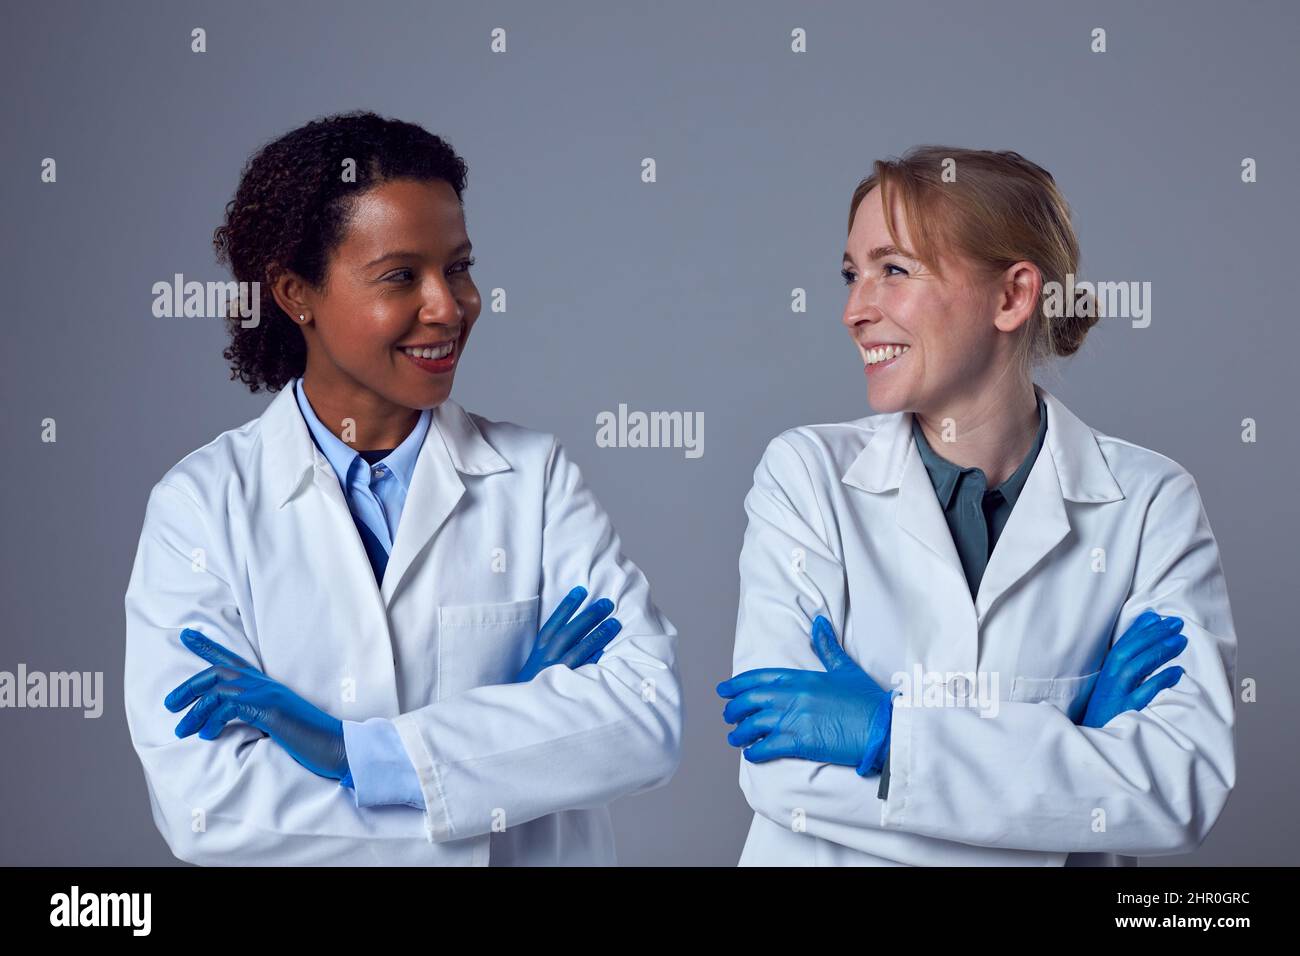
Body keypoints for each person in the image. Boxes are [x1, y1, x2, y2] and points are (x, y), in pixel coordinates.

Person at [123, 111, 682, 866]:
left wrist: (354, 755)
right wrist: (499, 746)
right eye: (400, 277)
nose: (449, 306)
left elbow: (647, 721)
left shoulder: (537, 479)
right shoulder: (202, 508)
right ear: (296, 294)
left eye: (458, 267)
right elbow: (208, 809)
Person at [718, 146, 1236, 866]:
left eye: (893, 270)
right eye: (850, 274)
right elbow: (783, 779)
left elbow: (1179, 789)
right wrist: (1073, 751)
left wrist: (885, 737)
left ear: (1012, 296)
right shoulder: (806, 477)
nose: (852, 311)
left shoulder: (1150, 503)